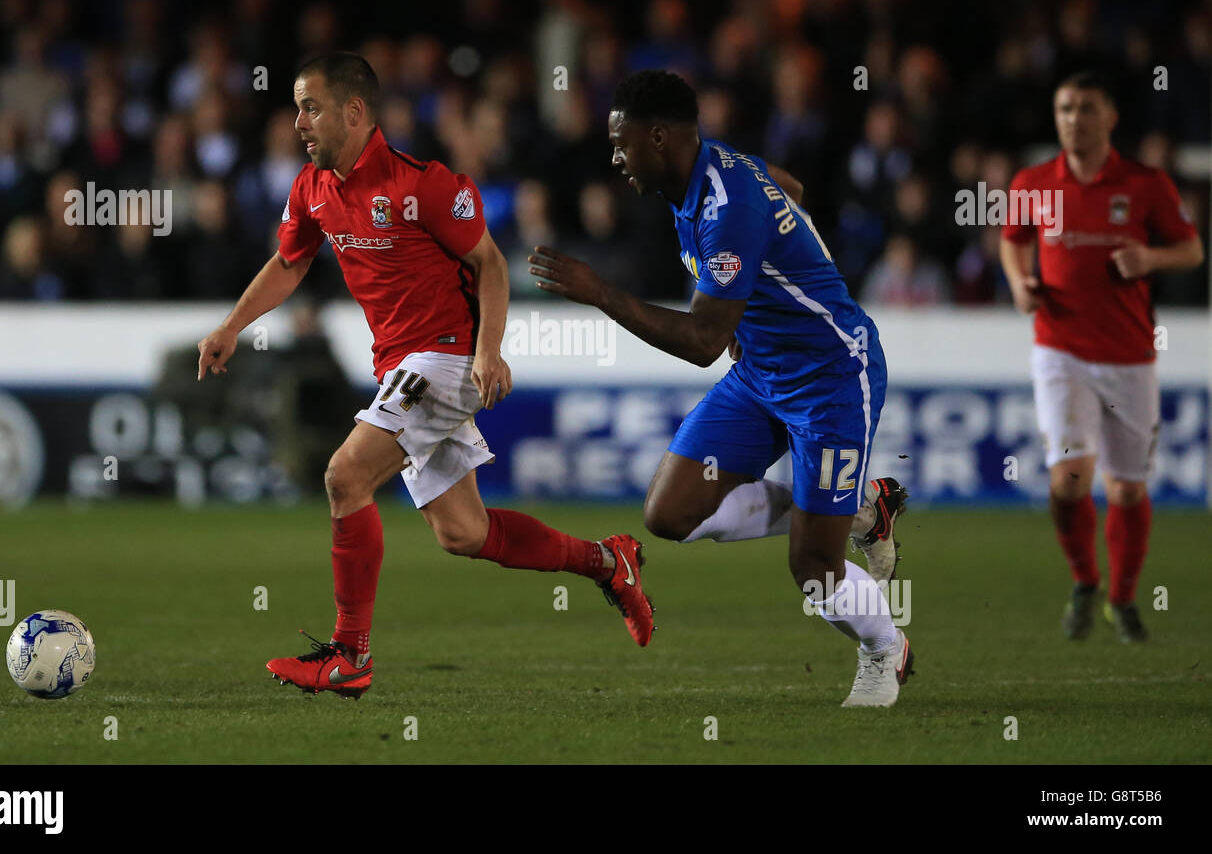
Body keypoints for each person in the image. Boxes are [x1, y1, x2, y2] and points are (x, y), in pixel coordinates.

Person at [197, 52, 654, 699]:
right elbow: (289, 262)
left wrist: (488, 351)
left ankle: (349, 656)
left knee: (344, 475)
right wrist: (231, 326)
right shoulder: (312, 188)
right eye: (297, 106)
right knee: (463, 533)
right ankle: (609, 563)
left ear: (354, 111)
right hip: (401, 368)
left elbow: (491, 265)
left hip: (444, 359)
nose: (298, 121)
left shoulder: (425, 185)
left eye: (310, 106)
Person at [529, 70, 912, 708]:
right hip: (762, 372)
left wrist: (600, 293)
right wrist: (767, 296)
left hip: (832, 380)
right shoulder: (711, 172)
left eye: (622, 145)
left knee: (812, 572)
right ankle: (860, 507)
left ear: (658, 138)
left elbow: (704, 342)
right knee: (669, 515)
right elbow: (790, 188)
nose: (616, 159)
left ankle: (884, 650)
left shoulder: (726, 205)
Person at [999, 71, 1204, 643]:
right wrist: (1019, 284)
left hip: (1130, 356)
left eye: (1086, 108)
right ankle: (1085, 580)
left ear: (1110, 118)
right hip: (1059, 351)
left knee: (1128, 489)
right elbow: (1013, 239)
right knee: (1068, 478)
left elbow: (1191, 250)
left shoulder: (1144, 184)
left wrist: (1149, 259)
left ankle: (1123, 597)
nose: (1073, 118)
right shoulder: (1034, 182)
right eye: (1064, 107)